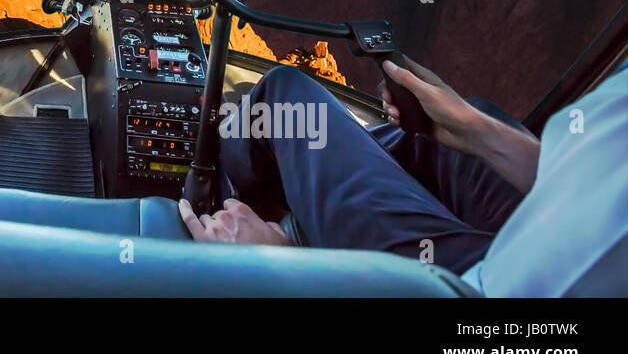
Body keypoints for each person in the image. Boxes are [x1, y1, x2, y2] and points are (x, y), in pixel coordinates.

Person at [177, 56, 628, 296]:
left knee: (288, 100)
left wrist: (281, 271)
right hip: (548, 234)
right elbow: (599, 173)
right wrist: (474, 131)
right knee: (453, 132)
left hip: (478, 291)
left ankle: (247, 192)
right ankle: (323, 204)